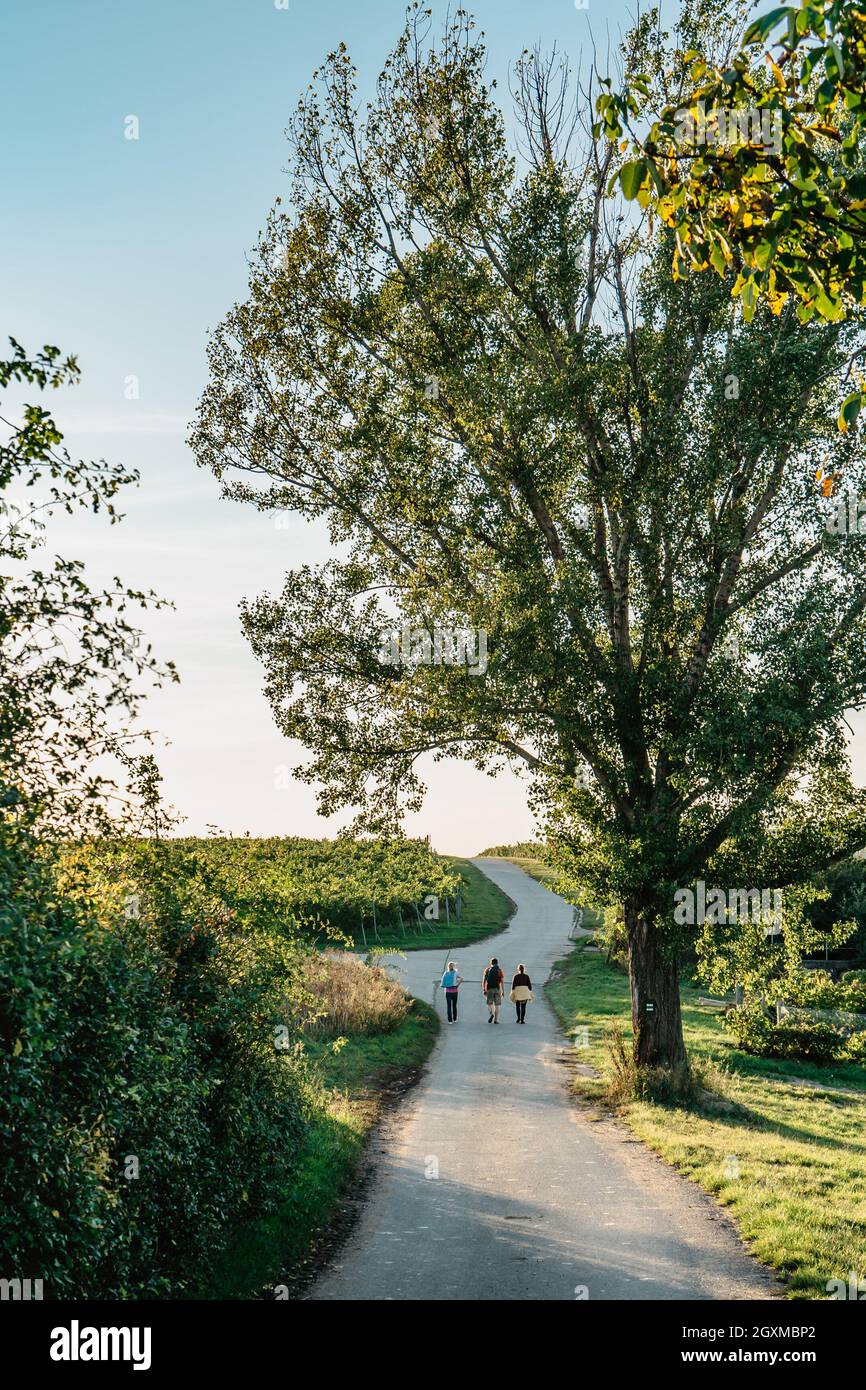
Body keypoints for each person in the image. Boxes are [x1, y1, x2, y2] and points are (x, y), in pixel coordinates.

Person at [483, 957, 504, 1024]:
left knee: (489, 1004)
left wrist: (484, 989)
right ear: (497, 963)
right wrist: (503, 991)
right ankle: (495, 1020)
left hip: (489, 989)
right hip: (497, 989)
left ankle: (491, 1014)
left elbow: (484, 980)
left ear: (491, 963)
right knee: (497, 1005)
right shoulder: (499, 970)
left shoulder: (487, 970)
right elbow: (502, 981)